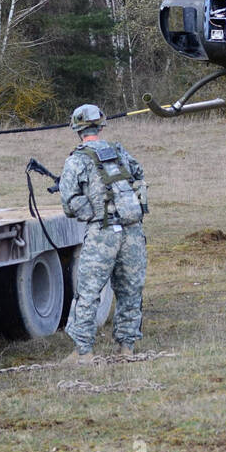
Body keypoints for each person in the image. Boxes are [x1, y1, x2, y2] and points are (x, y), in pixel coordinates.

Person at [59, 105, 149, 364]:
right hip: (133, 231)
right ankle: (126, 347)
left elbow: (69, 203)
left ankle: (83, 352)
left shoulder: (76, 160)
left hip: (103, 233)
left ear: (77, 129)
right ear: (101, 126)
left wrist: (92, 212)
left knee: (88, 292)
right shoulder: (119, 152)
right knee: (130, 290)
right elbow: (139, 175)